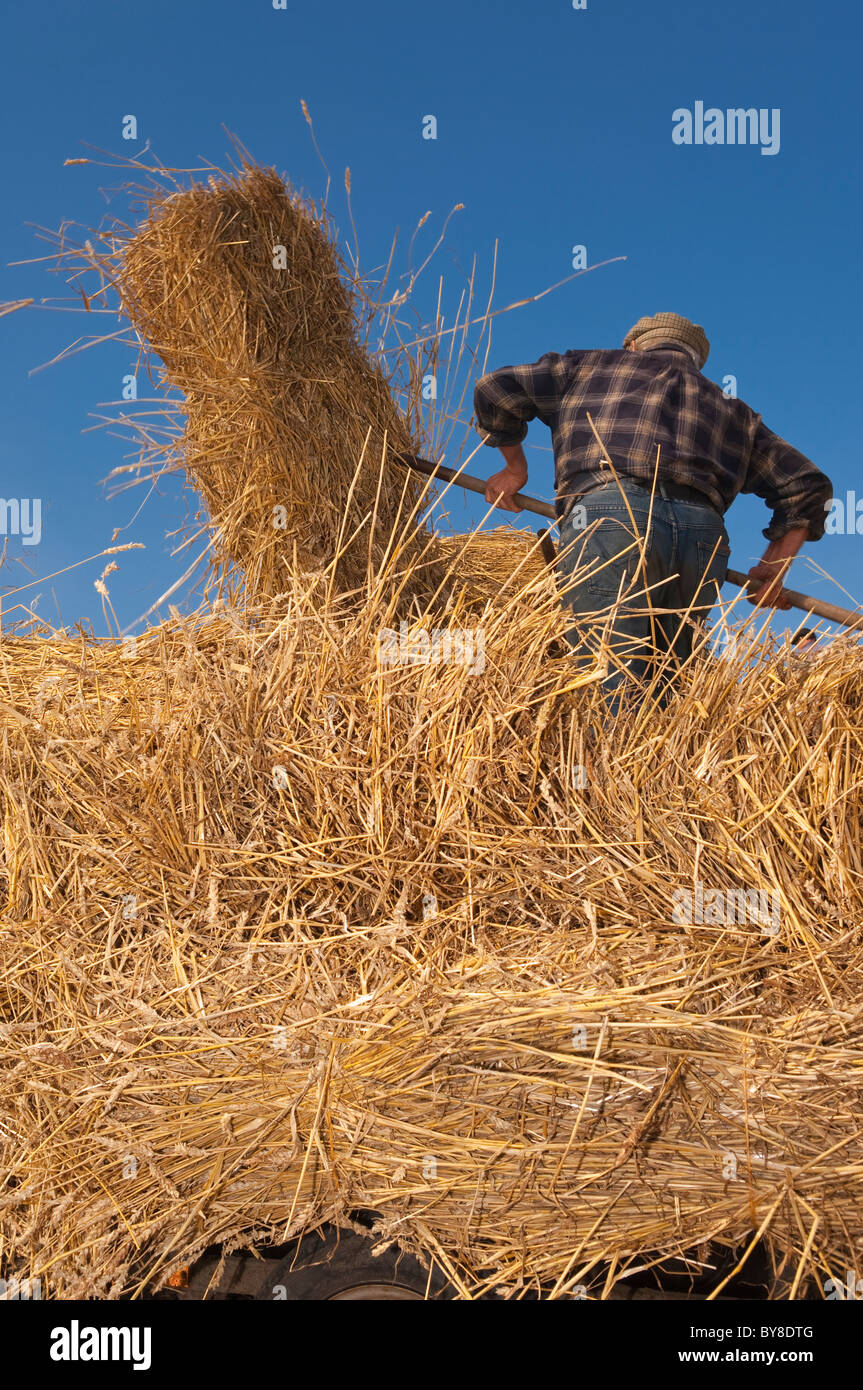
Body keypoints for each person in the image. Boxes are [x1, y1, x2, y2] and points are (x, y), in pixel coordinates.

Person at [473, 312, 832, 702]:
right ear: (695, 359)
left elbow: (495, 388)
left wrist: (515, 468)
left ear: (632, 345)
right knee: (664, 699)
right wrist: (774, 568)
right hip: (702, 540)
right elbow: (808, 485)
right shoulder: (735, 411)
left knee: (607, 686)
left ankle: (600, 758)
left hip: (611, 517)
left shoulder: (587, 366)